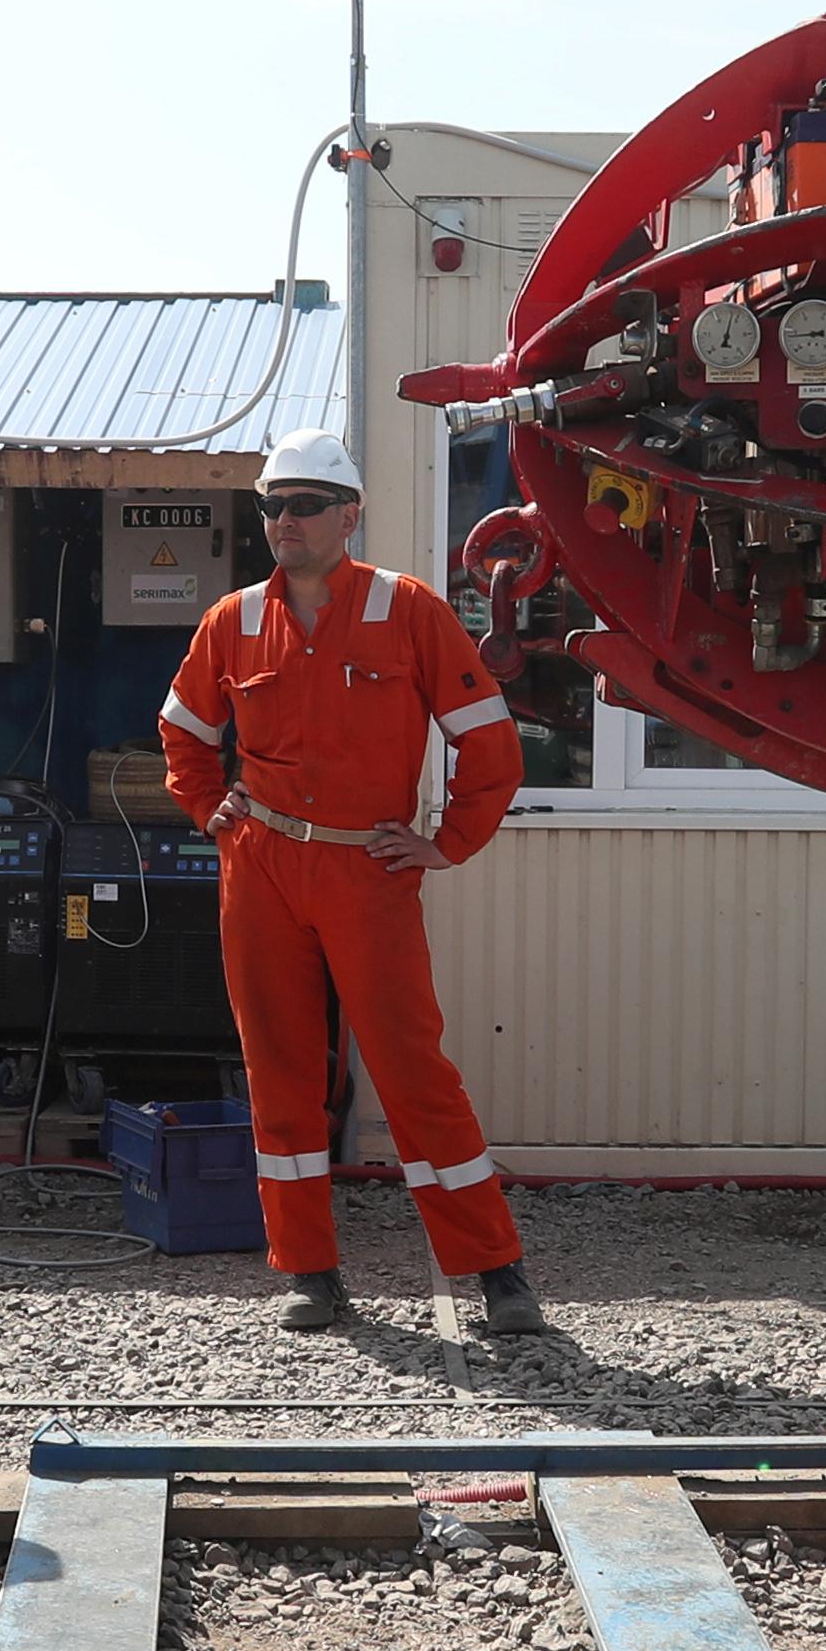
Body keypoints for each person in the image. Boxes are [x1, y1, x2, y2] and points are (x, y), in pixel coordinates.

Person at [159, 429, 541, 1337]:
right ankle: (310, 1273)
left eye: (304, 504)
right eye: (270, 505)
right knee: (280, 1072)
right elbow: (181, 732)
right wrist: (208, 808)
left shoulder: (407, 611)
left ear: (348, 515)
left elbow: (488, 742)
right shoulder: (231, 620)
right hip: (262, 871)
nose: (283, 521)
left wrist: (444, 844)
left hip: (365, 870)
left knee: (412, 1071)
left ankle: (495, 1272)